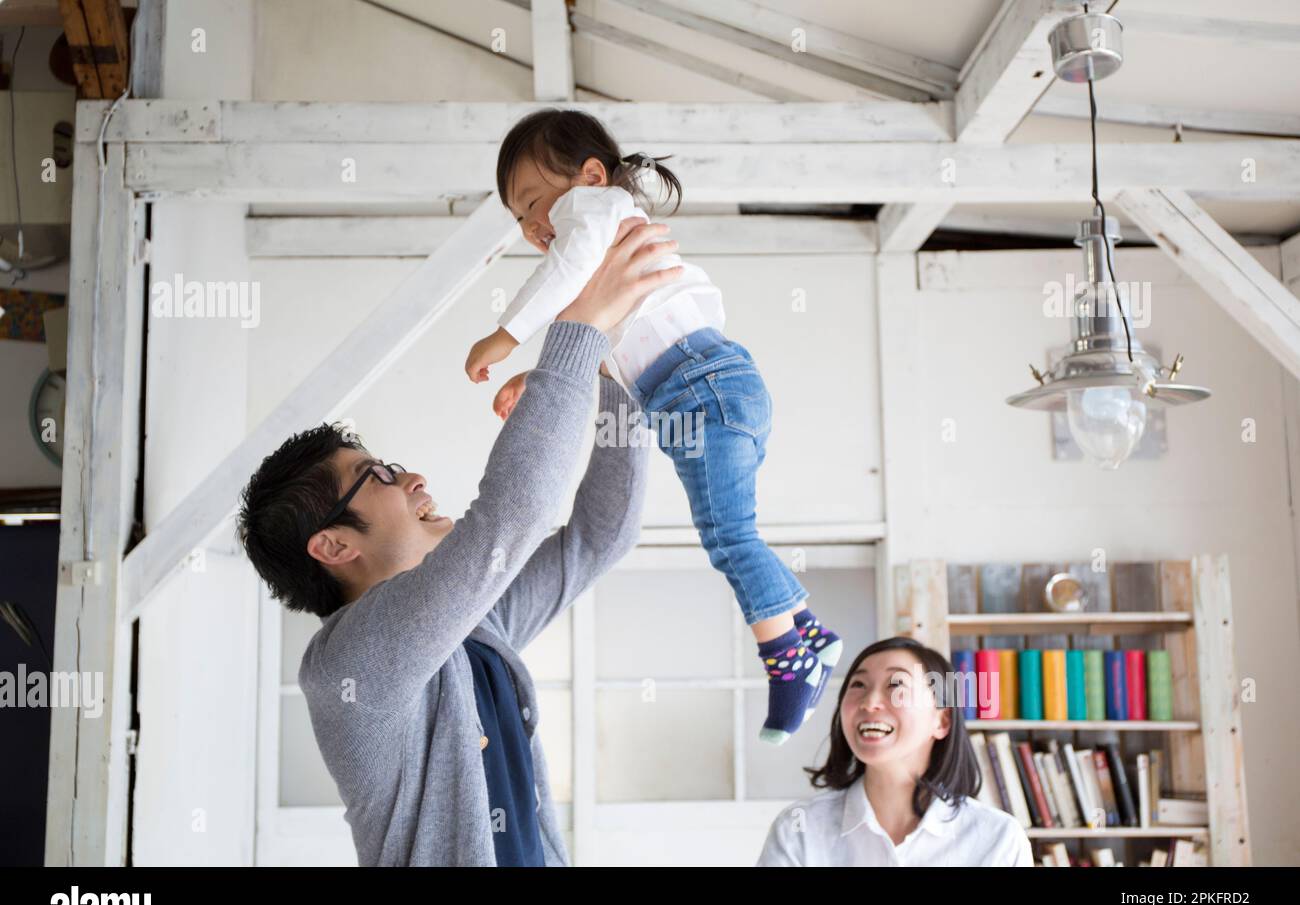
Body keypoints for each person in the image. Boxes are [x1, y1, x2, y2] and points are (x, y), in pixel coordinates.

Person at [236, 217, 680, 866]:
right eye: (378, 476)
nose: (411, 477)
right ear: (332, 547)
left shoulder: (478, 628)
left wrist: (613, 376)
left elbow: (599, 536)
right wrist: (577, 332)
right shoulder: (348, 665)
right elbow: (511, 519)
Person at [466, 108, 843, 745]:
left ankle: (791, 664)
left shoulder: (598, 212)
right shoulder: (607, 258)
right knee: (728, 535)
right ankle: (808, 634)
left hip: (706, 388)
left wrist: (505, 336)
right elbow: (604, 343)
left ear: (589, 175)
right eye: (518, 218)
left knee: (730, 537)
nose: (531, 225)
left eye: (533, 201)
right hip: (700, 396)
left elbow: (562, 277)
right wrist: (536, 377)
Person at [758, 637, 1034, 866]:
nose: (870, 702)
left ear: (942, 721)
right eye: (858, 685)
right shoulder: (799, 829)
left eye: (896, 685)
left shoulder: (998, 837)